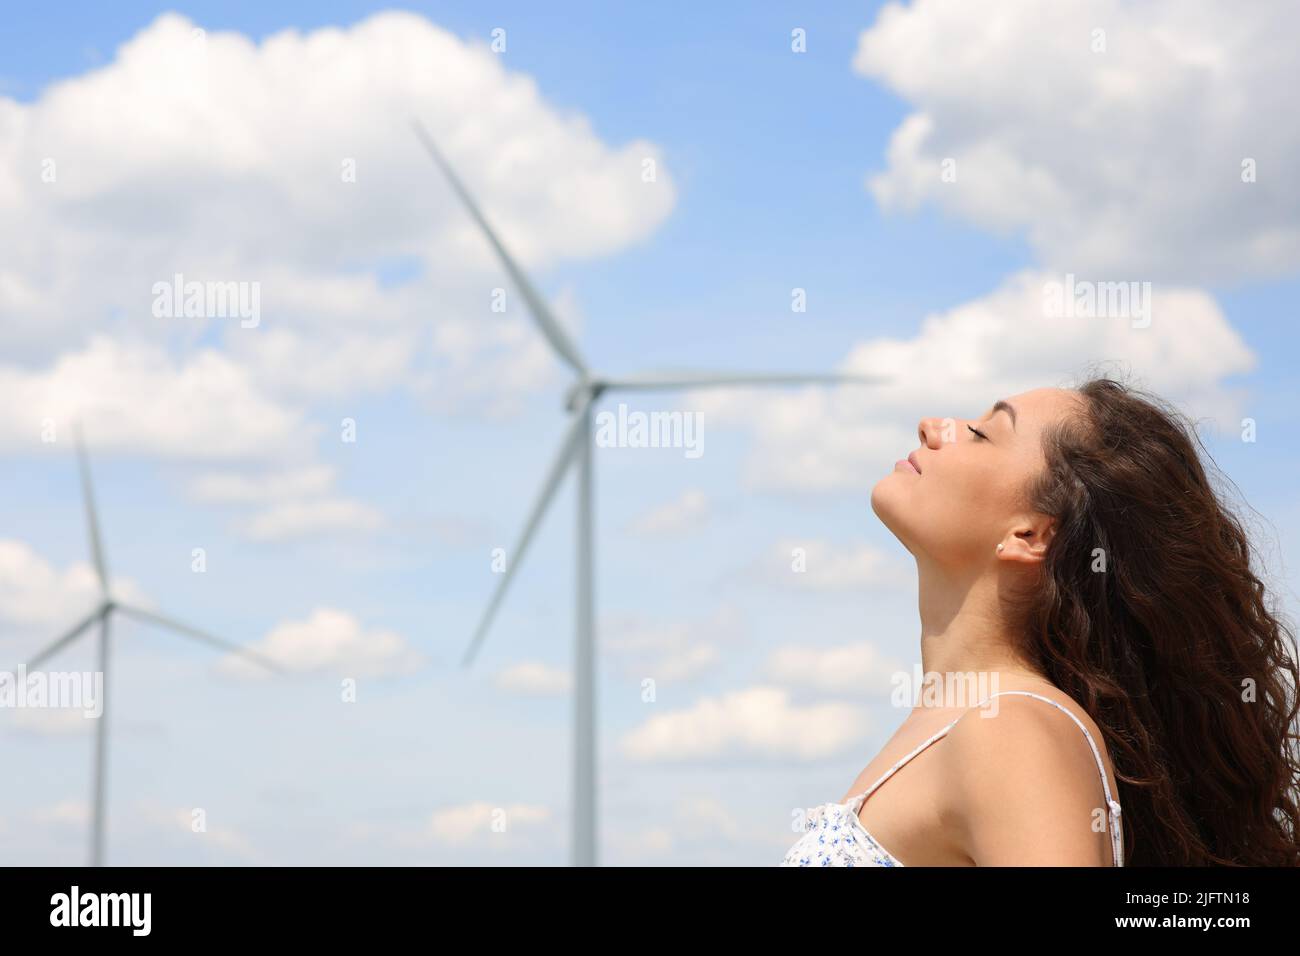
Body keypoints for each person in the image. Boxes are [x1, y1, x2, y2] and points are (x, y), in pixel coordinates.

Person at [781, 374, 1300, 866]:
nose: (932, 426)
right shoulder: (971, 722)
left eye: (982, 434)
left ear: (1030, 535)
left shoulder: (1010, 728)